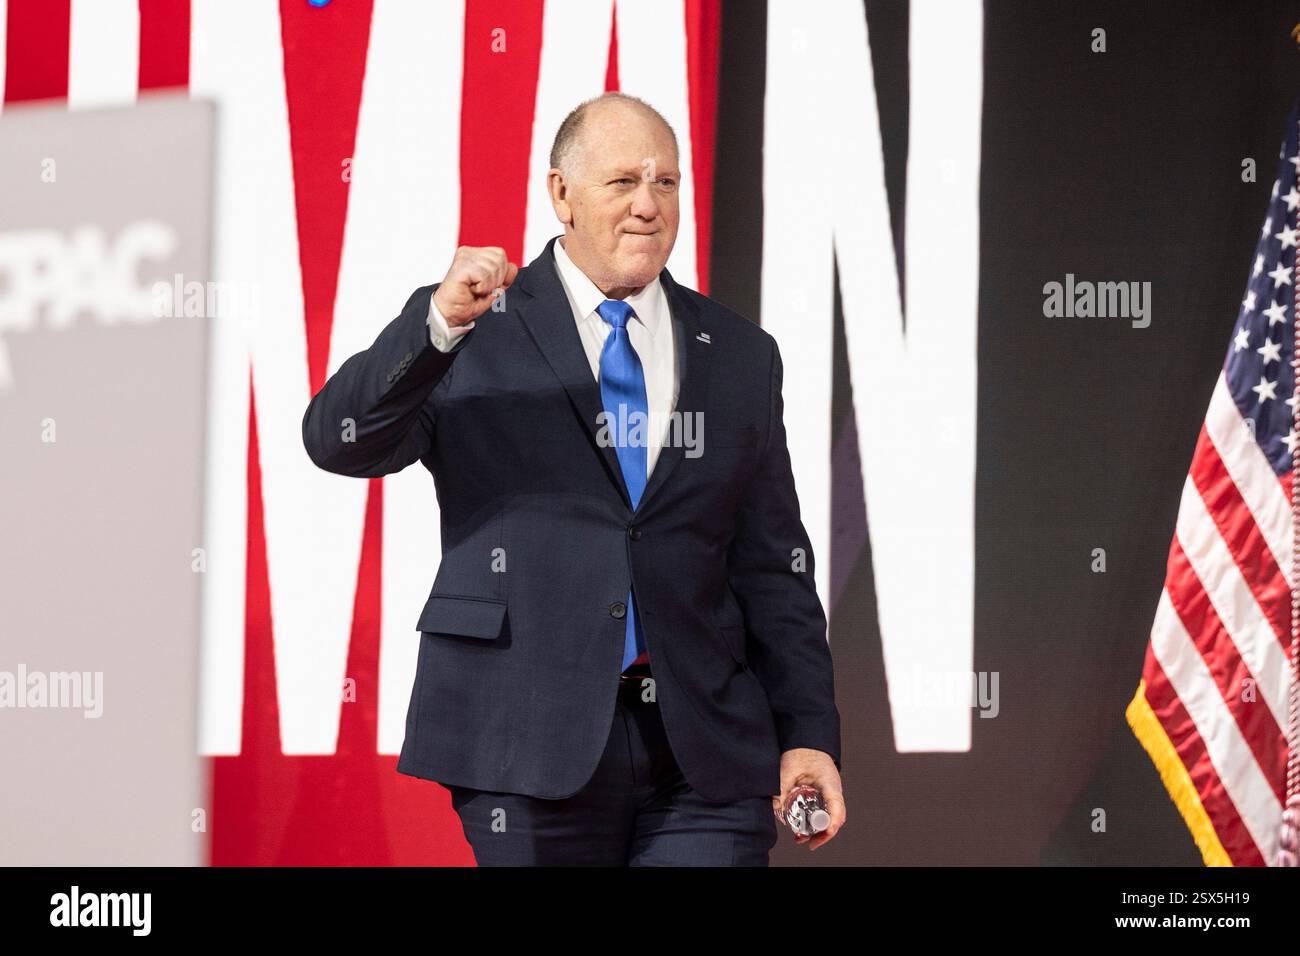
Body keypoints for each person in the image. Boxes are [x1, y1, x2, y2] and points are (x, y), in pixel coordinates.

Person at [302, 91, 844, 865]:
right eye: (623, 182)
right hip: (526, 740)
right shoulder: (474, 330)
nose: (649, 206)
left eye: (666, 183)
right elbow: (337, 441)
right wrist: (436, 326)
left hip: (706, 752)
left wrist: (809, 736)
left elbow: (774, 569)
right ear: (561, 193)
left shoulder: (740, 354)